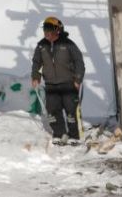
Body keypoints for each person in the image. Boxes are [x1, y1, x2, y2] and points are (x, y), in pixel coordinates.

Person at [31, 15, 85, 144]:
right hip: (50, 84)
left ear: (57, 29)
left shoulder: (68, 44)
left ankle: (74, 136)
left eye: (49, 28)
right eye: (45, 28)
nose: (46, 32)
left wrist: (77, 79)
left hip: (68, 83)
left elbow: (79, 62)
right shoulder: (41, 46)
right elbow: (36, 63)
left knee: (71, 112)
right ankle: (59, 134)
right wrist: (35, 77)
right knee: (53, 111)